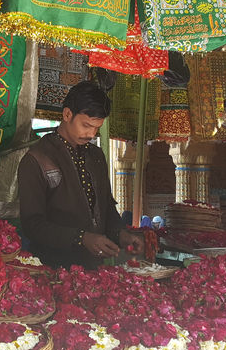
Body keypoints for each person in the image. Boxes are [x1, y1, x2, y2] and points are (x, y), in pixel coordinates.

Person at [17, 80, 143, 268]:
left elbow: (106, 206)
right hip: (51, 267)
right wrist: (81, 238)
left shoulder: (96, 155)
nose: (91, 134)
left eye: (96, 127)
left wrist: (121, 234)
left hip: (93, 268)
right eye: (86, 125)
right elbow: (32, 225)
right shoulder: (37, 158)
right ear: (67, 114)